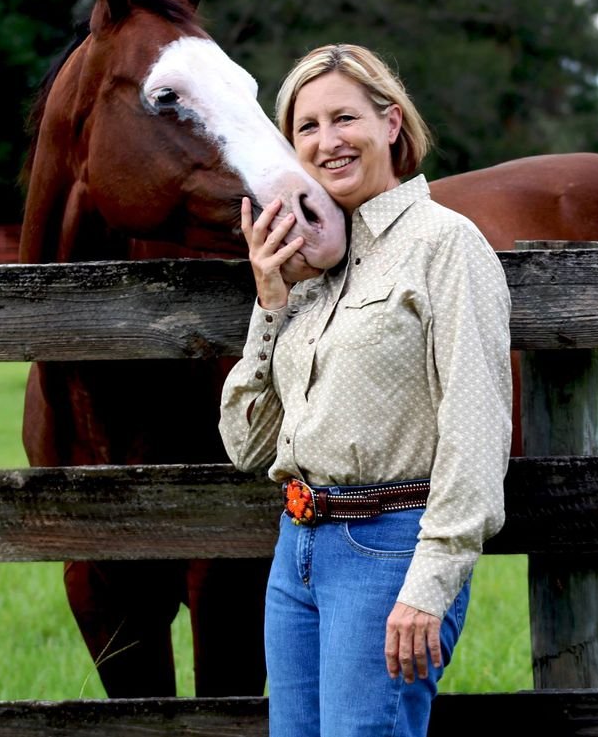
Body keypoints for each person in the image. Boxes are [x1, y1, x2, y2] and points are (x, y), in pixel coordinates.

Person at [219, 43, 511, 737]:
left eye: (343, 117)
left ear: (390, 123)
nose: (327, 141)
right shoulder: (312, 262)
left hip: (390, 549)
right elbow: (245, 443)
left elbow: (476, 431)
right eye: (307, 127)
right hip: (298, 551)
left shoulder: (446, 245)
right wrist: (270, 300)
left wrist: (430, 585)